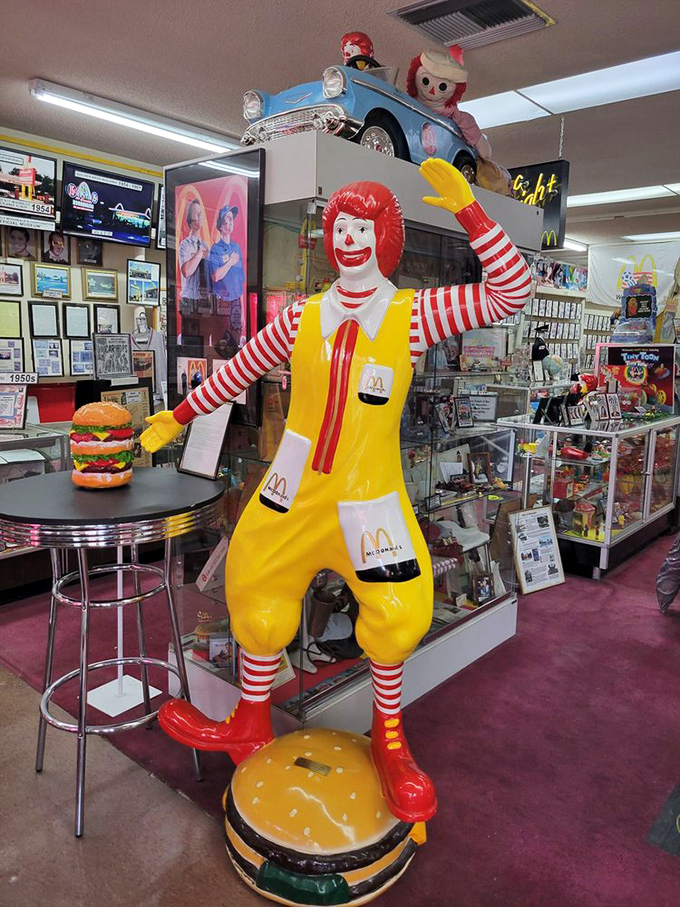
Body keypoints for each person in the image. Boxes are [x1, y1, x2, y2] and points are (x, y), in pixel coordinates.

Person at [141, 159, 531, 823]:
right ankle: (248, 721)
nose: (349, 238)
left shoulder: (413, 313)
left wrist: (471, 212)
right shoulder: (303, 315)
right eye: (341, 226)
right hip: (290, 491)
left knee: (399, 610)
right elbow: (241, 367)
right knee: (253, 583)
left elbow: (509, 293)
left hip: (367, 499)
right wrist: (177, 416)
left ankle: (390, 741)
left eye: (363, 227)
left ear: (385, 238)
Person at [209, 204, 245, 351]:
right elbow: (216, 276)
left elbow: (240, 284)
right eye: (227, 219)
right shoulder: (216, 249)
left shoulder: (236, 248)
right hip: (221, 304)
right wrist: (230, 262)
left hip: (236, 304)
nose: (230, 222)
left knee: (235, 345)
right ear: (220, 225)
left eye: (231, 219)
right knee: (220, 345)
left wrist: (242, 313)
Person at [178, 199, 209, 313]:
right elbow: (186, 271)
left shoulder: (205, 246)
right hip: (188, 301)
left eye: (201, 212)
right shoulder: (185, 245)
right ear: (190, 220)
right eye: (196, 212)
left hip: (203, 300)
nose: (200, 215)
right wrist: (199, 254)